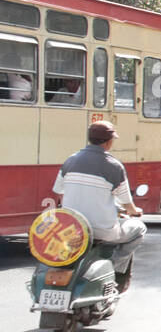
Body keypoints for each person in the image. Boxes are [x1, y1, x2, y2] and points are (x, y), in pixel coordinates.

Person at [52, 120, 146, 291]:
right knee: (139, 229)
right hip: (102, 230)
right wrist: (135, 211)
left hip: (71, 229)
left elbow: (60, 192)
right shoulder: (114, 166)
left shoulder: (70, 161)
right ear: (109, 142)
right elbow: (127, 203)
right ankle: (115, 270)